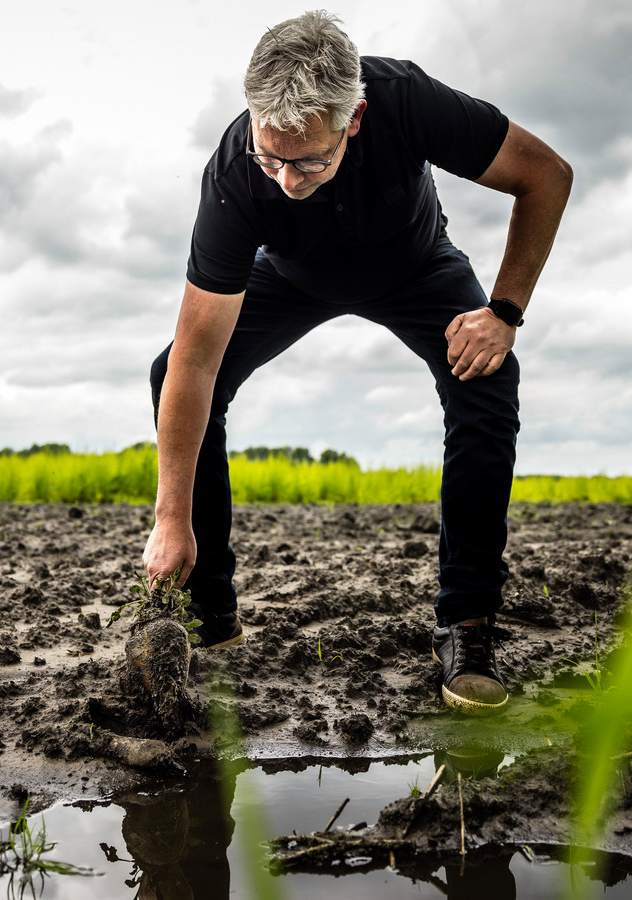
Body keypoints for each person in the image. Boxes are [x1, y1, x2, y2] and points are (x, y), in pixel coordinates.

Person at [143, 10, 572, 716]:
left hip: (415, 268)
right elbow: (193, 361)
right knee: (169, 373)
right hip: (291, 276)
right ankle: (209, 611)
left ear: (355, 118)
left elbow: (546, 176)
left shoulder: (407, 101)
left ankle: (466, 626)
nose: (286, 180)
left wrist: (504, 312)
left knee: (487, 380)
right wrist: (170, 519)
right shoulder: (233, 177)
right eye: (270, 156)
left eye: (309, 160)